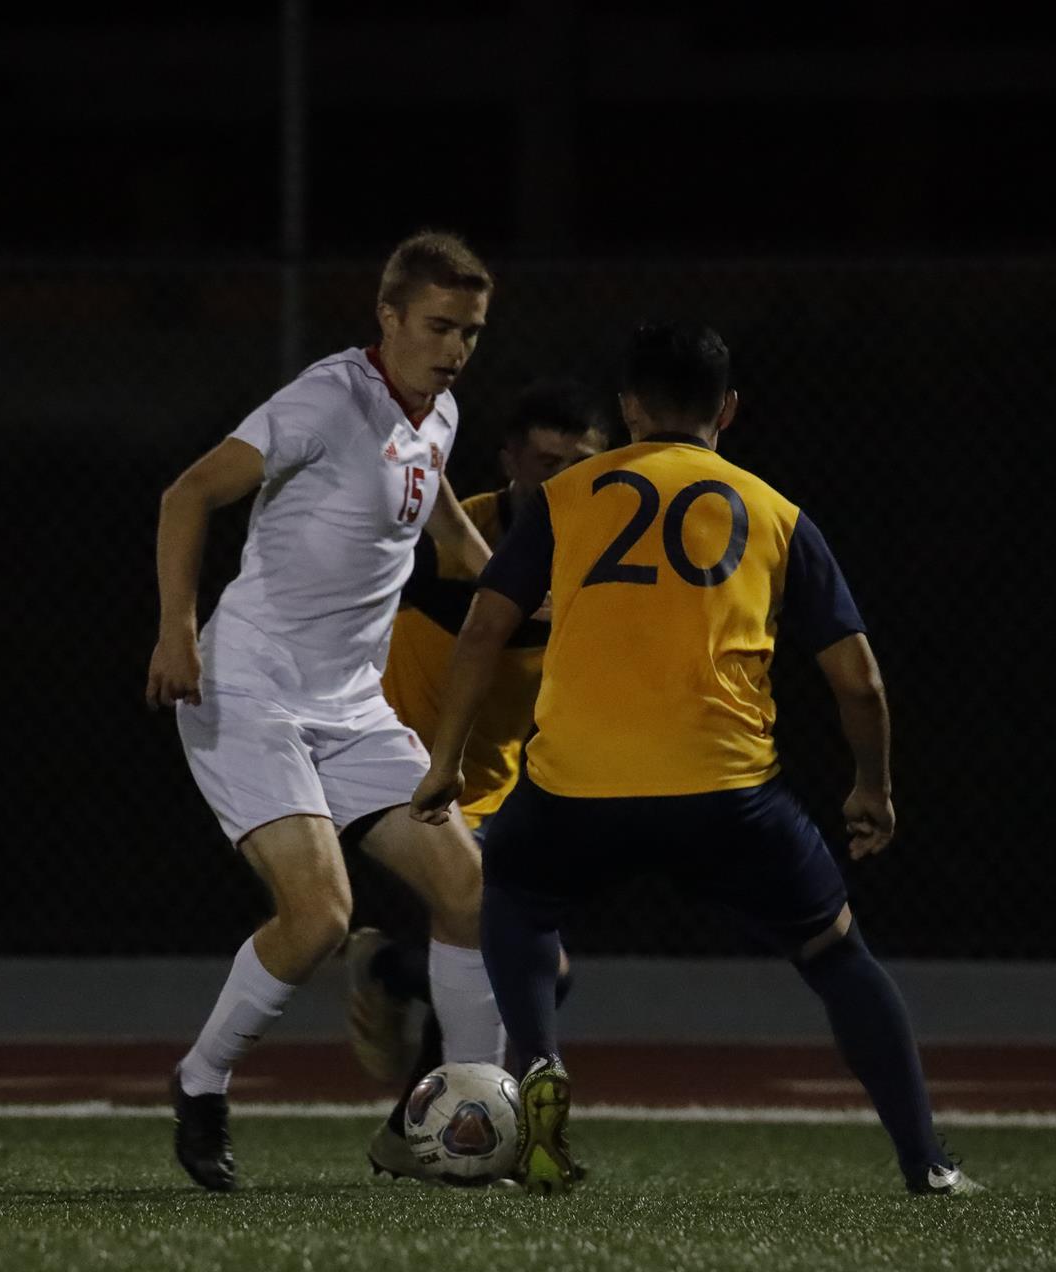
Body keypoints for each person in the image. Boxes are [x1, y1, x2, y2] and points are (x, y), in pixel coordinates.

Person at [412, 322, 980, 1198]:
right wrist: (873, 788)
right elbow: (858, 680)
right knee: (837, 956)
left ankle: (540, 1069)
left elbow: (486, 627)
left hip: (575, 787)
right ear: (729, 409)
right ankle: (927, 1161)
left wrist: (447, 759)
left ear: (629, 407)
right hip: (727, 794)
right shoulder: (777, 511)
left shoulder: (568, 495)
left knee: (514, 900)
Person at [147, 230, 505, 1191]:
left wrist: (550, 598)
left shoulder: (439, 416)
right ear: (387, 319)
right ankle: (201, 1082)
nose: (456, 346)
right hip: (249, 687)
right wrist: (177, 634)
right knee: (318, 915)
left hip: (352, 706)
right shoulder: (325, 398)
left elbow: (457, 540)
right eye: (438, 326)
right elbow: (187, 495)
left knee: (474, 894)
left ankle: (468, 1125)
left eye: (471, 330)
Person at [345, 379, 604, 1179]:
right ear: (510, 460)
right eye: (545, 464)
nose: (559, 484)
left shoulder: (601, 556)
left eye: (580, 468)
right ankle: (467, 1133)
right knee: (504, 949)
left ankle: (409, 1095)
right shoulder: (455, 532)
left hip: (485, 784)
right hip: (387, 760)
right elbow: (471, 607)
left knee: (533, 972)